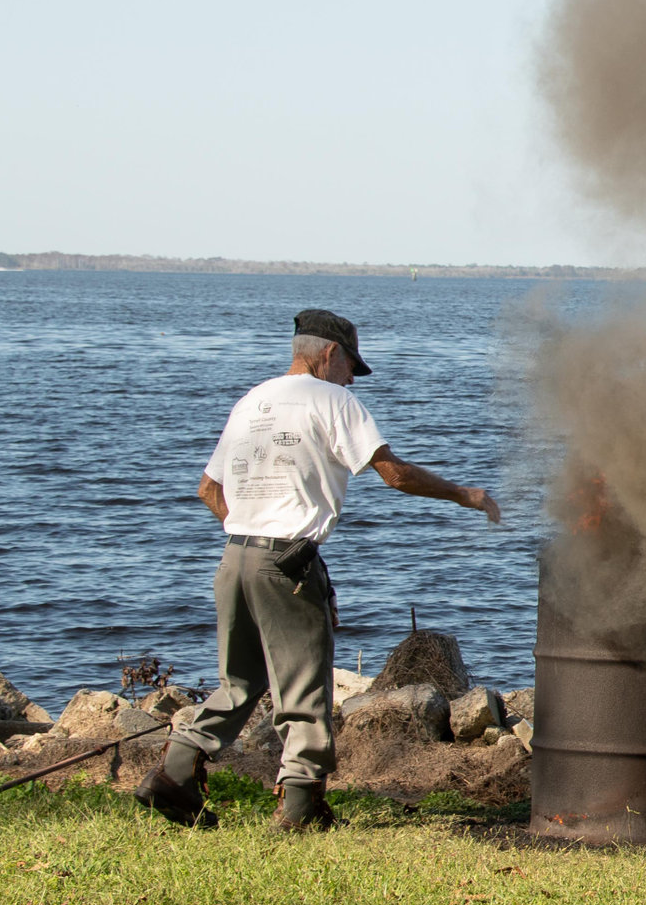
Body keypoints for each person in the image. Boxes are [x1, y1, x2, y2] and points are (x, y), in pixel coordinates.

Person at [135, 309, 503, 832]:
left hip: (235, 555)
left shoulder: (251, 401)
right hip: (285, 561)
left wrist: (254, 533)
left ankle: (173, 776)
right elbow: (393, 474)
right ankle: (301, 809)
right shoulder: (336, 401)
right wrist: (464, 494)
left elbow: (208, 490)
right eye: (351, 364)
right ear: (330, 354)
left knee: (240, 681)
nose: (353, 377)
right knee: (306, 690)